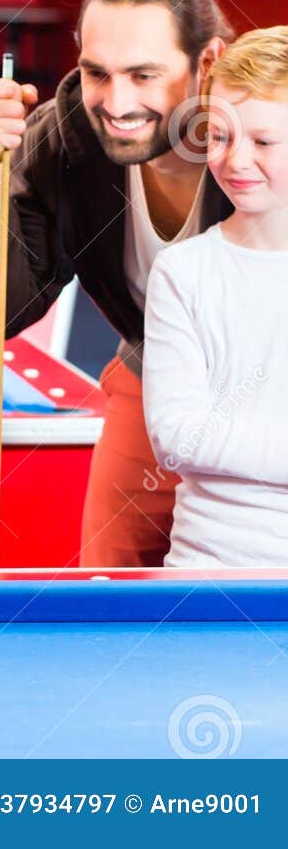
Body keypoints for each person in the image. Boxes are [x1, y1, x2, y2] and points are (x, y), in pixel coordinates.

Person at [0, 0, 231, 567]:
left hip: (263, 392)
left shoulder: (258, 139)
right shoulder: (63, 137)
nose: (116, 101)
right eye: (97, 72)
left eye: (143, 74)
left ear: (206, 61)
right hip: (150, 375)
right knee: (110, 592)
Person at [145, 28, 288, 567]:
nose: (235, 160)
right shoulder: (184, 272)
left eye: (264, 142)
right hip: (209, 572)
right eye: (221, 136)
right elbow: (178, 437)